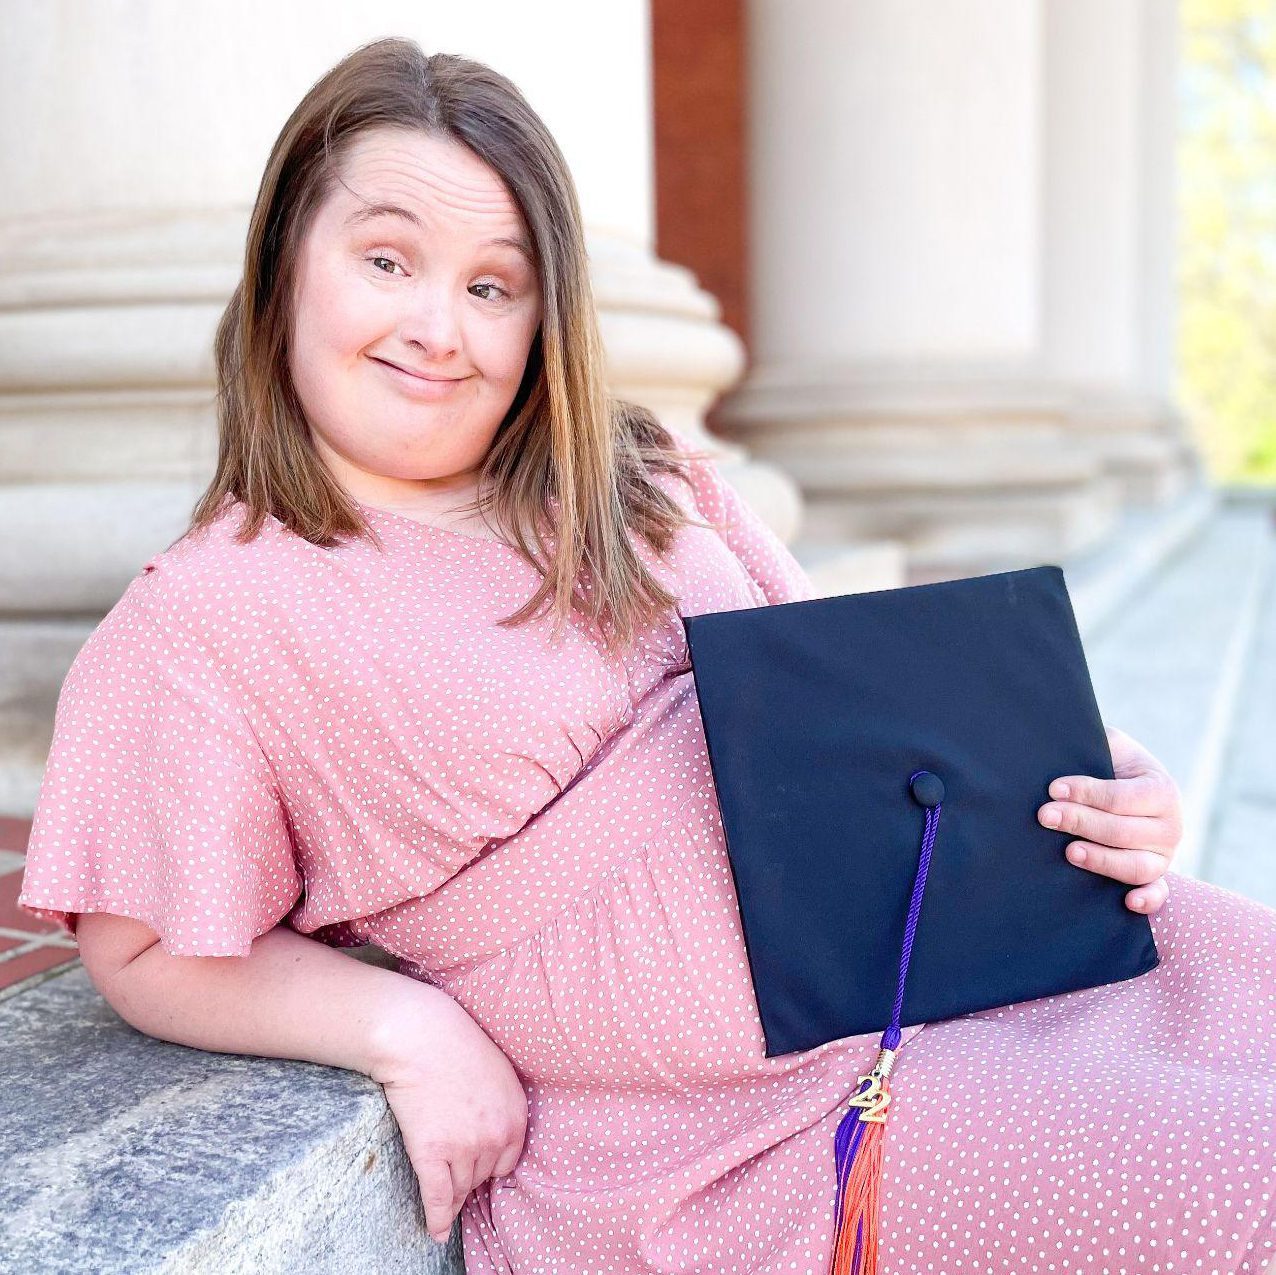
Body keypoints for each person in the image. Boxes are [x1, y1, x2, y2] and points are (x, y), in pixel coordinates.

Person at [17, 36, 1276, 1275]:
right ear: (287, 263)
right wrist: (400, 1025)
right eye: (387, 258)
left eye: (493, 286)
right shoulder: (209, 616)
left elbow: (860, 700)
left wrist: (1079, 781)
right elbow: (144, 949)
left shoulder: (641, 479)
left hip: (981, 975)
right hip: (750, 1131)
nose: (439, 328)